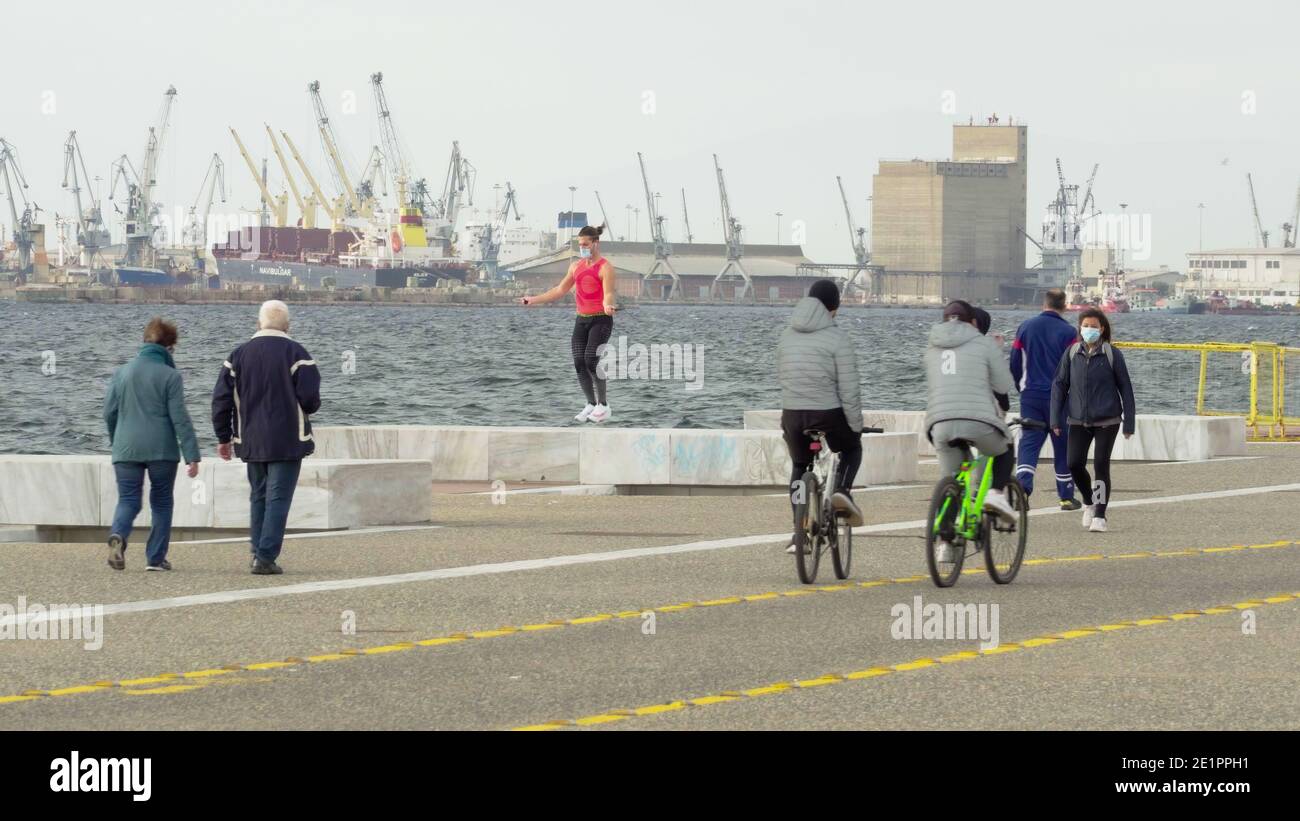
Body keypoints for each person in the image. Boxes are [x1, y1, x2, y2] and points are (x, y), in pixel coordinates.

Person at [212, 300, 321, 575]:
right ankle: (265, 557)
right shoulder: (297, 354)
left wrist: (223, 437)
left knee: (258, 496)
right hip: (287, 439)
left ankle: (256, 551)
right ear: (287, 325)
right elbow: (310, 400)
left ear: (258, 323)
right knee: (278, 499)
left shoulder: (237, 356)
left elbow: (221, 400)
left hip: (250, 439)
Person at [103, 317, 202, 571]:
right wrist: (191, 454)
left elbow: (109, 413)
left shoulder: (121, 372)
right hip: (161, 451)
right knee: (161, 501)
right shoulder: (170, 376)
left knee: (128, 499)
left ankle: (118, 536)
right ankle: (155, 558)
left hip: (126, 448)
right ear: (169, 348)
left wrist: (117, 441)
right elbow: (180, 418)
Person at [925, 300, 1018, 564]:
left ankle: (945, 543)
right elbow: (1003, 387)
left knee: (954, 479)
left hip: (939, 423)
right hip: (978, 420)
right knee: (1005, 448)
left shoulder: (933, 345)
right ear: (973, 323)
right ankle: (997, 494)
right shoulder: (983, 345)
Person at [778, 279, 864, 554]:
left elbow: (783, 376)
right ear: (834, 307)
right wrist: (856, 426)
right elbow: (849, 389)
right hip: (828, 414)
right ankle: (842, 493)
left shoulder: (786, 335)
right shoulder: (837, 338)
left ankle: (799, 531)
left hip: (792, 415)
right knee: (851, 448)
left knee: (800, 465)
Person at [520, 225, 617, 423]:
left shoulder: (605, 267)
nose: (582, 248)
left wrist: (608, 305)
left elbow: (608, 293)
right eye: (580, 245)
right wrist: (534, 300)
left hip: (601, 319)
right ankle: (590, 404)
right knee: (579, 363)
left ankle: (604, 406)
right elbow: (559, 290)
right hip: (581, 320)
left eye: (585, 244)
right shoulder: (575, 267)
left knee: (591, 360)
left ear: (595, 244)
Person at [1051, 308, 1136, 533]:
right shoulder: (1071, 353)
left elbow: (1125, 388)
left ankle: (1100, 514)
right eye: (1085, 326)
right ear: (1080, 328)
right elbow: (1060, 385)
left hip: (1108, 419)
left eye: (1094, 326)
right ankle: (1088, 502)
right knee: (1074, 463)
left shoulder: (1112, 354)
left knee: (1100, 464)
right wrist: (1055, 418)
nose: (1089, 330)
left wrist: (1129, 423)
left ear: (1102, 329)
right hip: (1078, 419)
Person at [1010, 288, 1081, 509]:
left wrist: (1020, 387)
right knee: (1063, 446)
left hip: (1030, 396)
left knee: (1029, 444)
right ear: (1065, 306)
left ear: (1044, 304)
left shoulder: (1026, 327)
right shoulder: (1069, 332)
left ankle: (1023, 488)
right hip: (1059, 399)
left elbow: (1014, 362)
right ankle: (1066, 496)